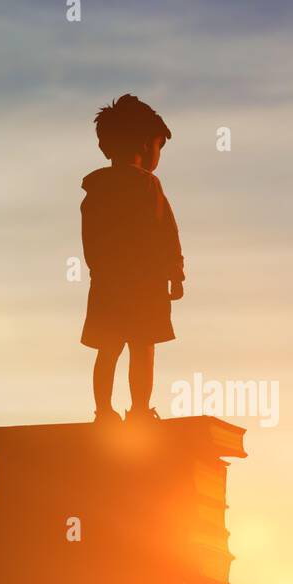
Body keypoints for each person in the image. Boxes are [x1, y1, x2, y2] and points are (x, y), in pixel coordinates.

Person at [79, 94, 185, 424]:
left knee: (108, 348)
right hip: (144, 285)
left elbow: (90, 239)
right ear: (143, 143)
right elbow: (166, 231)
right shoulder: (148, 186)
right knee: (143, 347)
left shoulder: (95, 189)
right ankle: (139, 409)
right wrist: (175, 272)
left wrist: (101, 268)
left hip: (108, 284)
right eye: (158, 147)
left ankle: (104, 411)